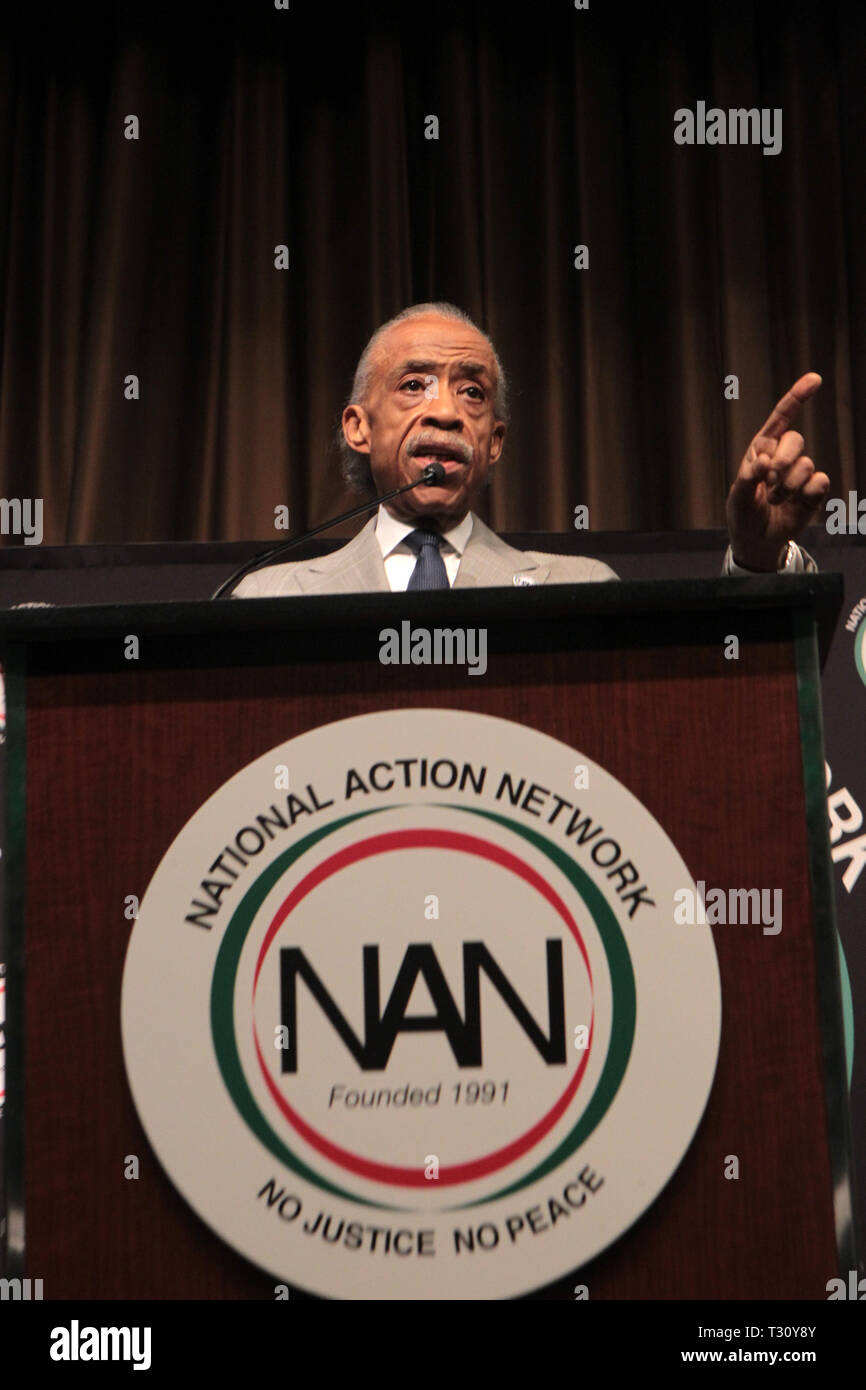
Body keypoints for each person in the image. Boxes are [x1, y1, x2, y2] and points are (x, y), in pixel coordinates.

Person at [231, 303, 828, 596]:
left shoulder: (581, 589)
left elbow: (691, 724)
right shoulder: (270, 596)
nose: (443, 409)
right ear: (359, 428)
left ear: (494, 443)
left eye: (471, 391)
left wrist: (754, 563)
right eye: (413, 384)